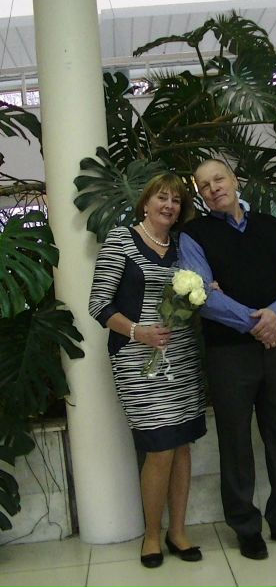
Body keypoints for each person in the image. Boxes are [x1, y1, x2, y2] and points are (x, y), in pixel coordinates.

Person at [179, 159, 276, 560]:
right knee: (235, 439)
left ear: (235, 180)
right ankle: (245, 526)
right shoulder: (194, 235)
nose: (213, 188)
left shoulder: (271, 227)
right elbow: (201, 295)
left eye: (218, 179)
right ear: (201, 194)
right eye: (204, 185)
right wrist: (259, 323)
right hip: (228, 353)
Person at [89, 173, 206, 569]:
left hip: (182, 358)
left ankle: (179, 532)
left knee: (182, 445)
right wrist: (138, 332)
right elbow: (99, 305)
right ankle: (152, 535)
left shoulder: (183, 247)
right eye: (162, 197)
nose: (169, 205)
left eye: (176, 200)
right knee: (159, 448)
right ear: (145, 202)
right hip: (138, 362)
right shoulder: (121, 241)